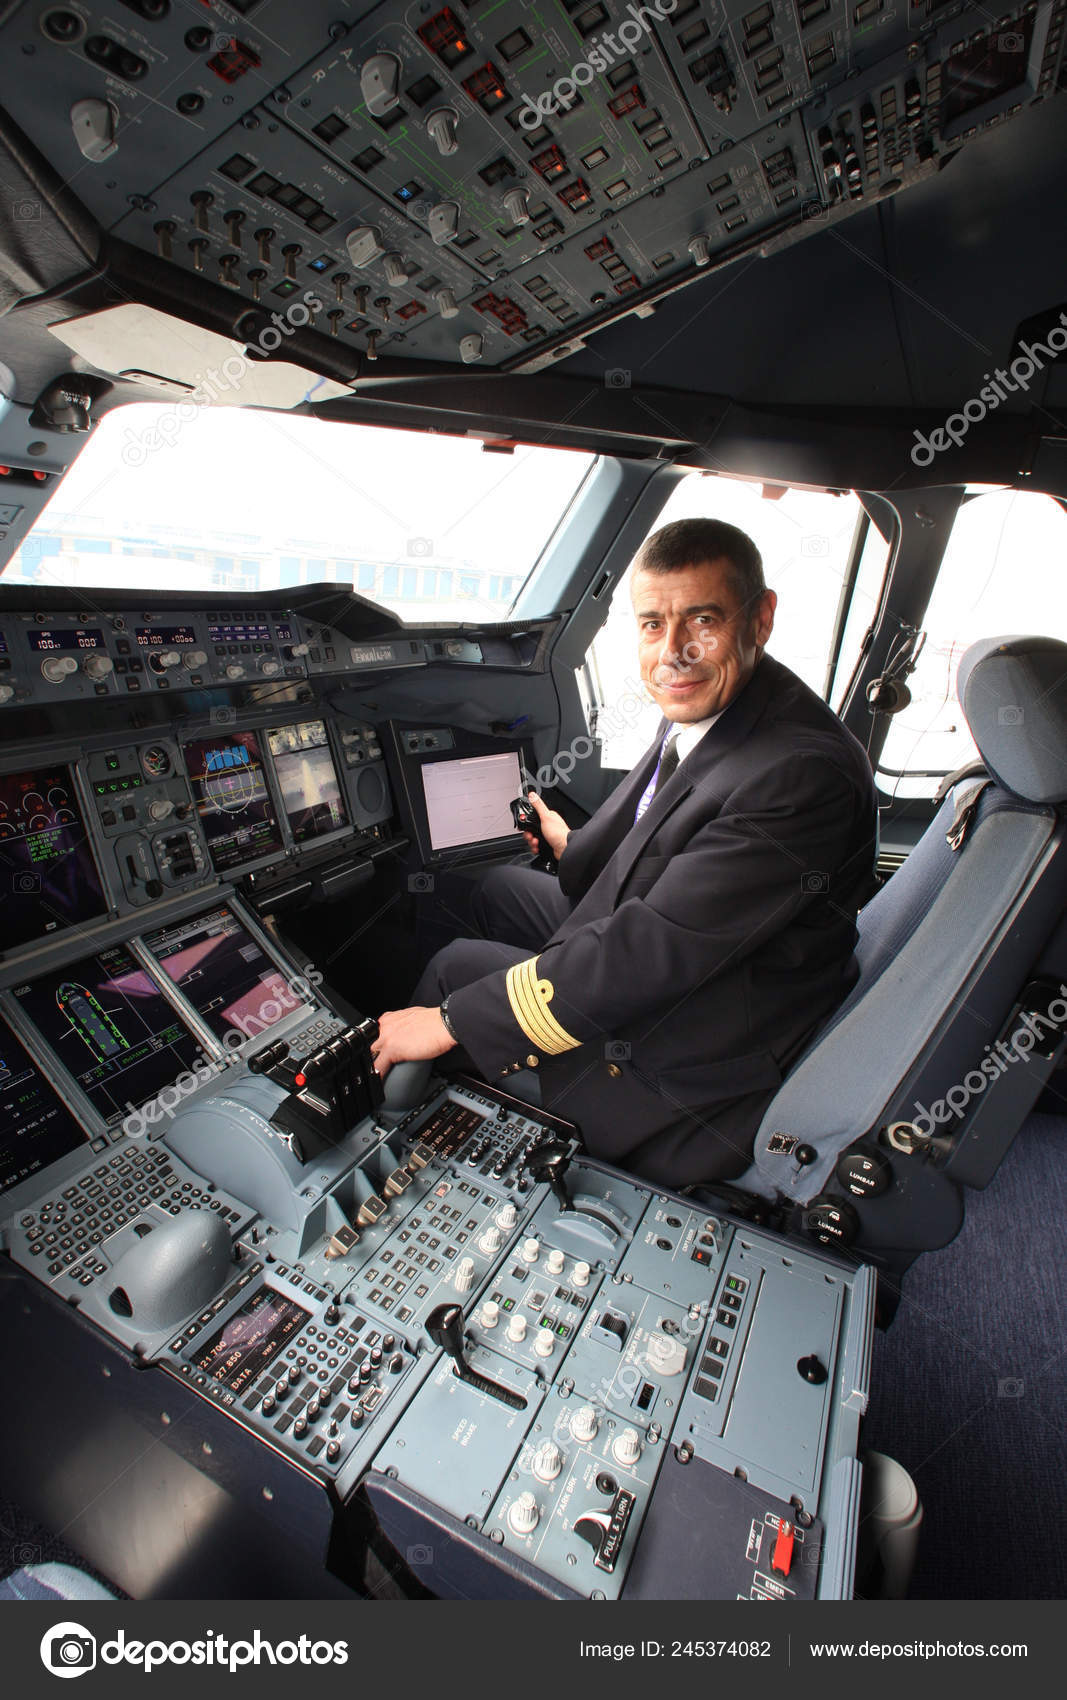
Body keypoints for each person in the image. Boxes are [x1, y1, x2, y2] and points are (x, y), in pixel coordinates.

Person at [370, 517, 878, 1191]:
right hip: (692, 963)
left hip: (685, 1057)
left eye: (701, 619)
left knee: (455, 972)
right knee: (494, 889)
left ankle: (390, 1133)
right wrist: (565, 846)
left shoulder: (797, 773)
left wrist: (446, 1022)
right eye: (650, 625)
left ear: (760, 618)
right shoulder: (730, 702)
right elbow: (662, 834)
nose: (672, 652)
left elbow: (646, 952)